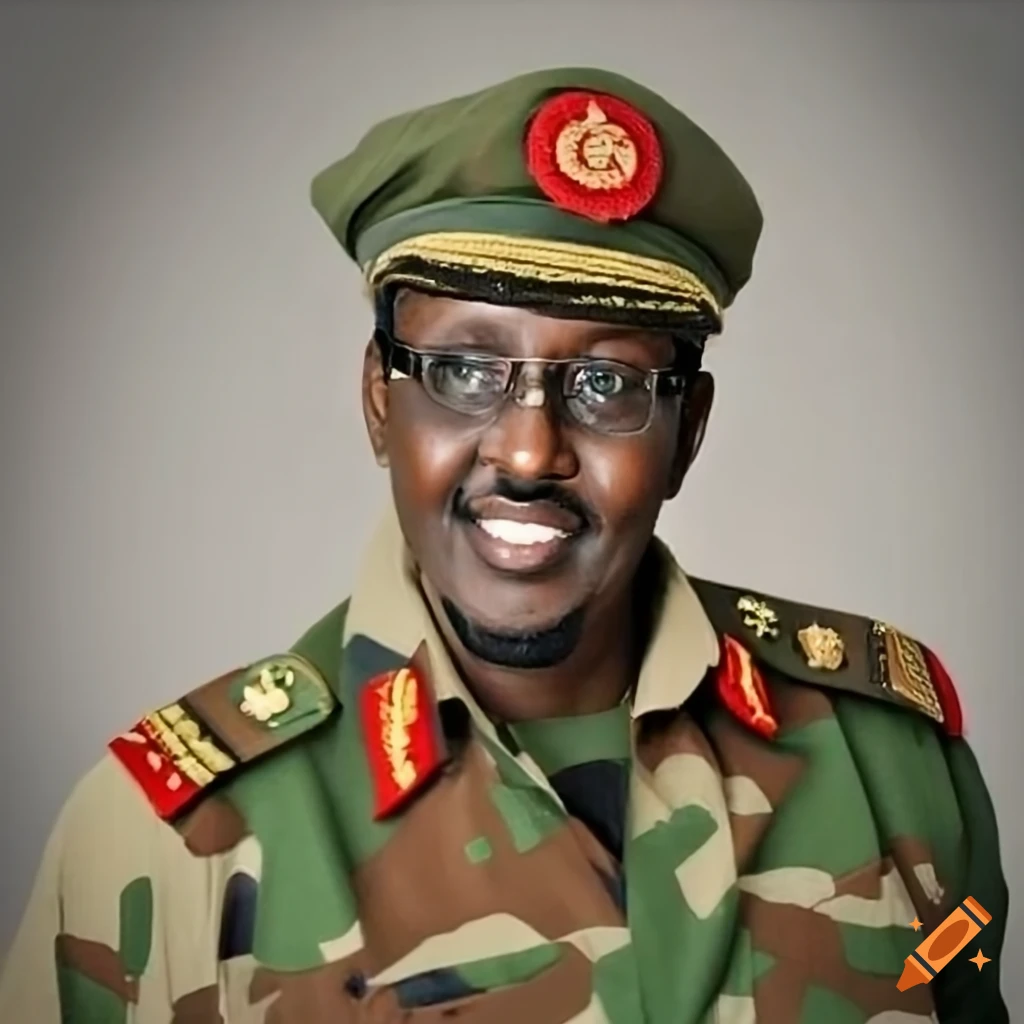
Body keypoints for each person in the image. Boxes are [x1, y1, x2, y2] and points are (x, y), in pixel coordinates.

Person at [0, 67, 1008, 1024]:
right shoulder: (169, 846)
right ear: (378, 402)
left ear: (687, 432)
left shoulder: (892, 767)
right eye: (462, 370)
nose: (528, 451)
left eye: (607, 383)